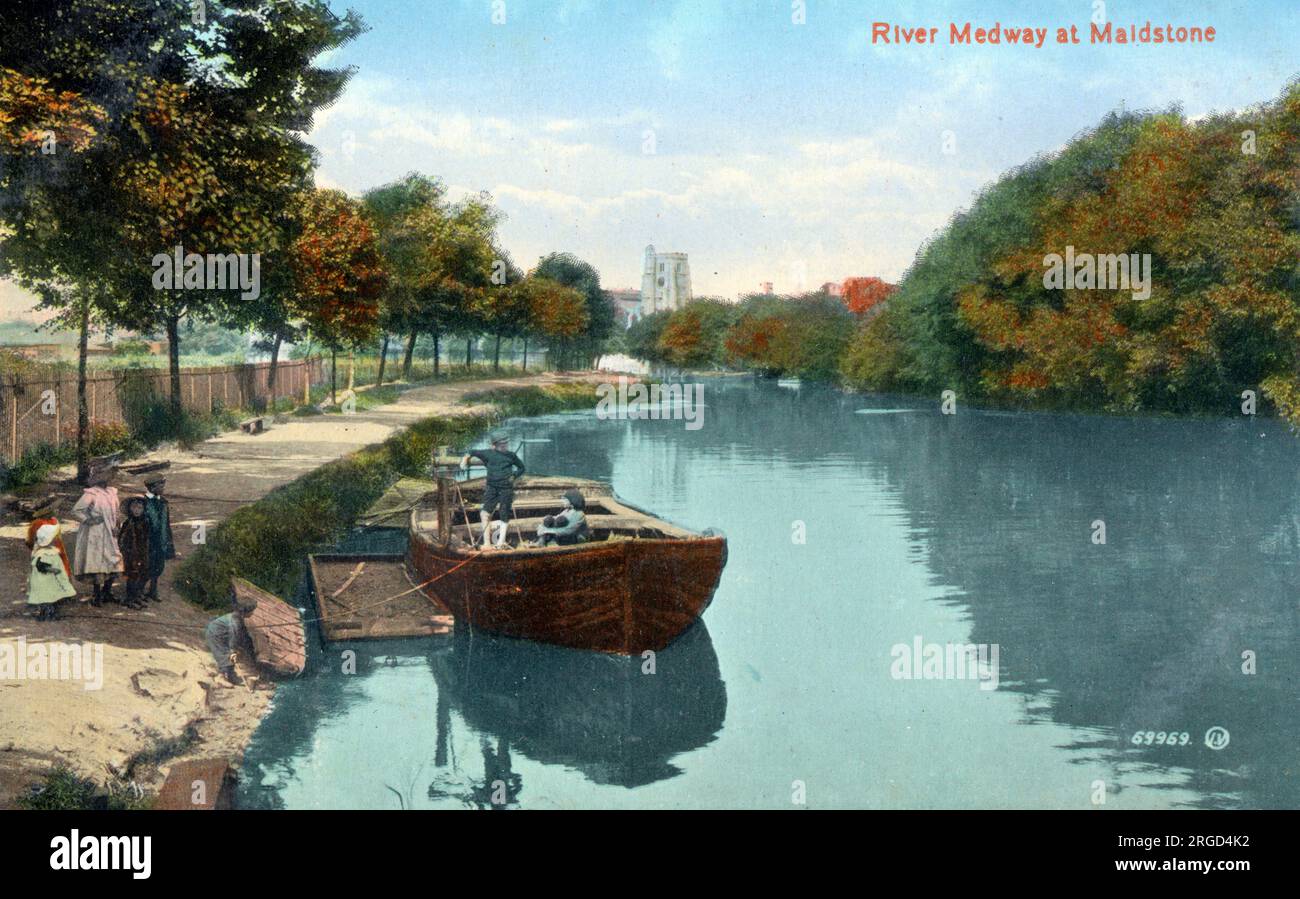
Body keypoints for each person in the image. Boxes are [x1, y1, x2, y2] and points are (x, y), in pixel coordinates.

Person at [69, 463, 124, 606]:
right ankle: (97, 594)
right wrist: (90, 519)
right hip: (96, 533)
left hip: (110, 531)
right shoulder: (91, 494)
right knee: (97, 562)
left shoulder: (112, 492)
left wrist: (118, 525)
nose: (108, 478)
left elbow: (116, 512)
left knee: (113, 560)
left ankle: (107, 591)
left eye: (109, 475)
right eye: (105, 475)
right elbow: (76, 511)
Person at [460, 435, 525, 548]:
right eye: (501, 444)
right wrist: (465, 460)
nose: (504, 446)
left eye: (505, 444)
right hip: (492, 488)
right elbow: (471, 451)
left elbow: (522, 468)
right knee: (484, 513)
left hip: (506, 488)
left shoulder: (511, 456)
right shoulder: (488, 453)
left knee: (504, 513)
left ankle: (501, 542)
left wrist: (514, 476)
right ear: (494, 446)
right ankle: (487, 543)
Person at [205, 591, 257, 687]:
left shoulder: (237, 617)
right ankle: (221, 677)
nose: (253, 613)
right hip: (216, 635)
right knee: (225, 655)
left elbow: (243, 633)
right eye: (252, 611)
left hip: (222, 634)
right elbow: (234, 636)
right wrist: (233, 651)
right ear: (245, 611)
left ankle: (231, 676)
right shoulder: (235, 622)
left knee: (229, 655)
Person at [28, 524, 77, 621]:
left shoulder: (50, 551)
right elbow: (40, 565)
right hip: (45, 581)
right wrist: (52, 570)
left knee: (52, 597)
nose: (56, 539)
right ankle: (47, 615)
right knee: (47, 598)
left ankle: (50, 613)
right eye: (54, 537)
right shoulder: (44, 553)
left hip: (50, 580)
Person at [141, 476, 176, 602]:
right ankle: (138, 592)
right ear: (152, 487)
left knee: (159, 566)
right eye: (160, 486)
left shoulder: (163, 502)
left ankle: (153, 590)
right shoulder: (143, 502)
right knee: (146, 566)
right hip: (148, 541)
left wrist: (168, 540)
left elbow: (166, 524)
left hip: (161, 540)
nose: (163, 489)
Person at [116, 497, 151, 610]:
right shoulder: (128, 523)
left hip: (142, 553)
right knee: (132, 576)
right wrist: (126, 553)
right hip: (131, 555)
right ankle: (129, 599)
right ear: (130, 509)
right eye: (134, 507)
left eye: (140, 508)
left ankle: (136, 596)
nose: (137, 510)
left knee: (140, 575)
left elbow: (147, 538)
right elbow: (122, 539)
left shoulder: (145, 522)